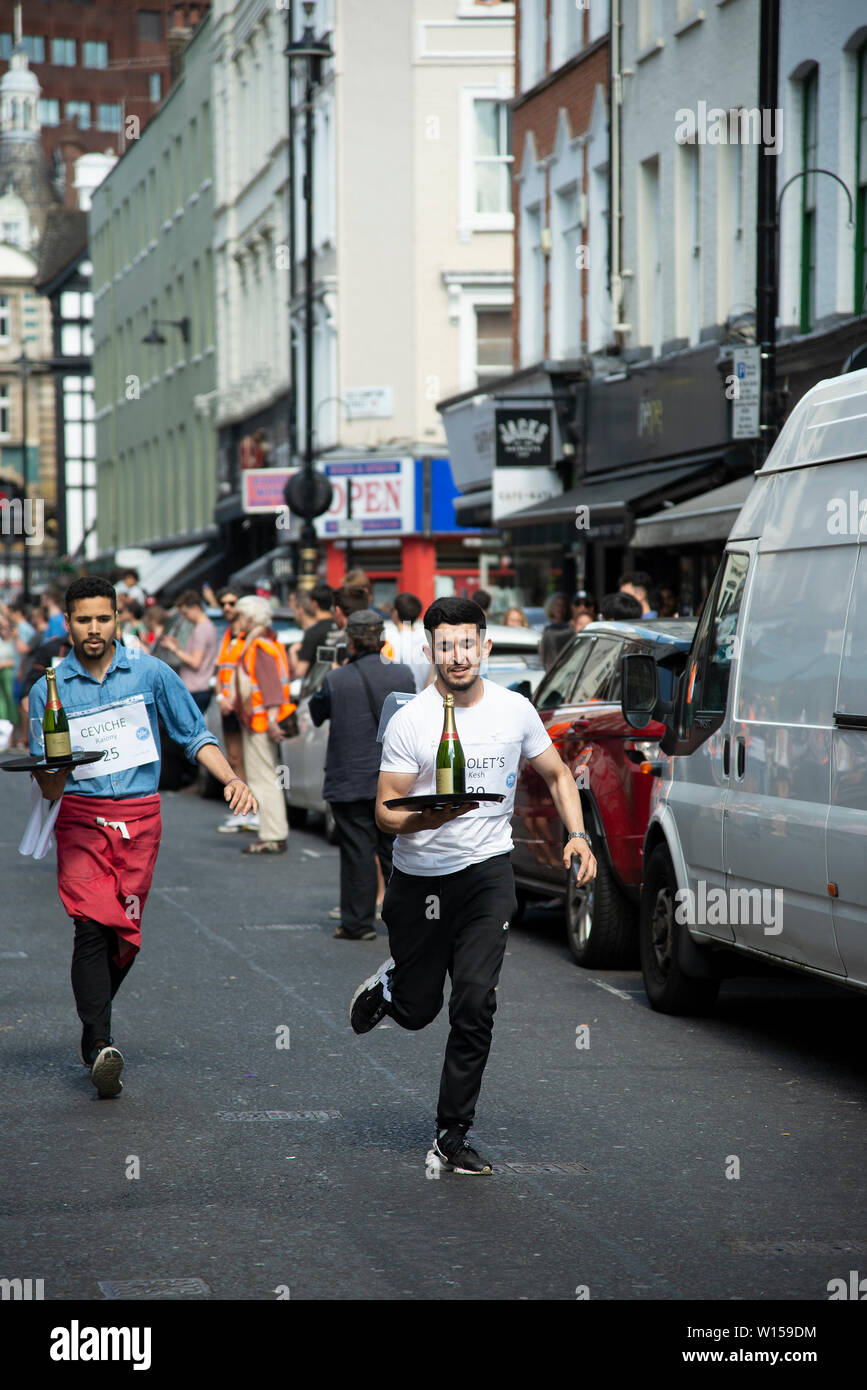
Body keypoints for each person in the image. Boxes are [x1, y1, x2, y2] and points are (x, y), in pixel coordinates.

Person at [349, 596, 598, 1175]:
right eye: (445, 645)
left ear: (484, 646)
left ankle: (451, 1134)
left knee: (475, 1002)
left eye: (467, 643)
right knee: (419, 1010)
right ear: (429, 650)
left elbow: (559, 775)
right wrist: (423, 818)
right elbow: (385, 812)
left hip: (488, 874)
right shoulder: (412, 719)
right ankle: (392, 990)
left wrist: (579, 835)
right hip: (420, 880)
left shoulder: (515, 710)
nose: (457, 655)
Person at [28, 576, 255, 1099]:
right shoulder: (49, 689)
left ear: (117, 619)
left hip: (141, 820)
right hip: (82, 818)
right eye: (83, 620)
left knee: (121, 932)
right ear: (68, 624)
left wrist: (233, 780)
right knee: (90, 924)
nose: (93, 629)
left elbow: (194, 733)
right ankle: (102, 1042)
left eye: (102, 619)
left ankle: (93, 1029)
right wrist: (49, 774)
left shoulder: (150, 673)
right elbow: (48, 778)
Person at [309, 609, 415, 940]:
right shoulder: (403, 675)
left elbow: (316, 713)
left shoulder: (336, 678)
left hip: (349, 779)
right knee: (394, 852)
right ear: (381, 639)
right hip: (394, 778)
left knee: (357, 851)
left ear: (350, 641)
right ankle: (407, 919)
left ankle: (357, 923)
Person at [231, 594, 294, 854]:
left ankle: (272, 835)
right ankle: (274, 833)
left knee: (263, 780)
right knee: (268, 778)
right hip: (261, 721)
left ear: (252, 618)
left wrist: (269, 720)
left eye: (240, 615)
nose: (238, 621)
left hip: (260, 723)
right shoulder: (267, 642)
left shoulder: (258, 646)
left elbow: (270, 689)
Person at [213, 588, 258, 836]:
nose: (227, 607)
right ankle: (243, 810)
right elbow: (222, 669)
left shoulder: (248, 637)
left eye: (232, 603)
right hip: (228, 706)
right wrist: (221, 696)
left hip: (244, 707)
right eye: (223, 603)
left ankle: (255, 810)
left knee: (251, 759)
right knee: (236, 759)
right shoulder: (228, 634)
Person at [158, 589, 218, 713]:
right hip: (201, 687)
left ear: (195, 608)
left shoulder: (201, 629)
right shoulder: (208, 626)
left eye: (186, 613)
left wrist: (175, 649)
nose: (185, 618)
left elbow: (195, 662)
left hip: (196, 688)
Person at [382, 592, 432, 692]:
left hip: (394, 700)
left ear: (395, 613)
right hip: (420, 699)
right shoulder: (428, 640)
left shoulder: (388, 638)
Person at [290, 584, 336, 679]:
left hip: (318, 687)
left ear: (314, 604)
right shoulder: (338, 627)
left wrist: (292, 652)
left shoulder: (313, 632)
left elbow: (300, 671)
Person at [539, 592, 574, 671]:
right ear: (551, 607)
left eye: (563, 606)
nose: (560, 609)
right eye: (558, 605)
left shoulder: (570, 628)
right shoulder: (546, 629)